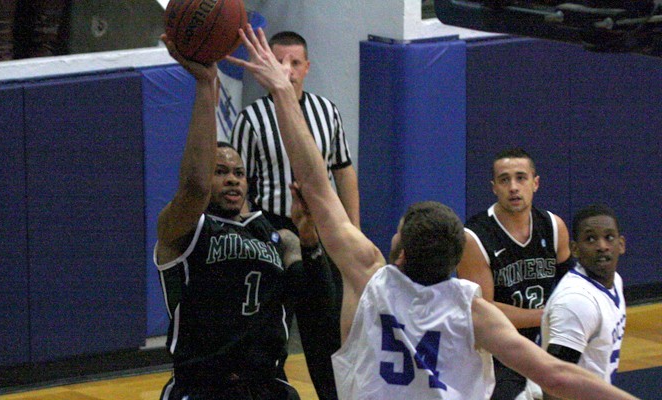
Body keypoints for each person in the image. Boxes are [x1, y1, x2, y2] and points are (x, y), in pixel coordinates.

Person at [227, 23, 640, 400]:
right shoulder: (472, 309)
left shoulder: (370, 280)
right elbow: (557, 375)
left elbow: (317, 187)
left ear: (401, 253)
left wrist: (282, 93)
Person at [154, 33, 302, 400]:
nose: (232, 178)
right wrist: (207, 85)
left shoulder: (279, 236)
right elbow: (193, 189)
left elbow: (309, 297)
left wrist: (310, 245)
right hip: (203, 386)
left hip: (267, 385)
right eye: (221, 171)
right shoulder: (186, 229)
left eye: (237, 172)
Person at [230, 30, 358, 400]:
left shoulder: (326, 111)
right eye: (278, 61)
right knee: (270, 329)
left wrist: (353, 231)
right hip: (272, 231)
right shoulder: (251, 120)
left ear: (307, 67)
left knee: (326, 332)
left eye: (294, 62)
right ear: (265, 65)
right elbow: (239, 187)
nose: (286, 69)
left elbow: (344, 170)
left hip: (323, 231)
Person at [457, 147, 573, 399]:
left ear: (535, 183)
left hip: (545, 342)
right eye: (504, 179)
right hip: (497, 352)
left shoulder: (554, 227)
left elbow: (571, 287)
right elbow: (482, 313)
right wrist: (545, 316)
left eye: (521, 178)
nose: (513, 187)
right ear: (494, 187)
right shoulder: (474, 237)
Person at [541, 204, 627, 400]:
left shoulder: (615, 281)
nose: (602, 246)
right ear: (575, 249)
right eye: (590, 239)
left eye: (609, 237)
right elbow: (554, 382)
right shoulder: (577, 302)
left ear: (621, 245)